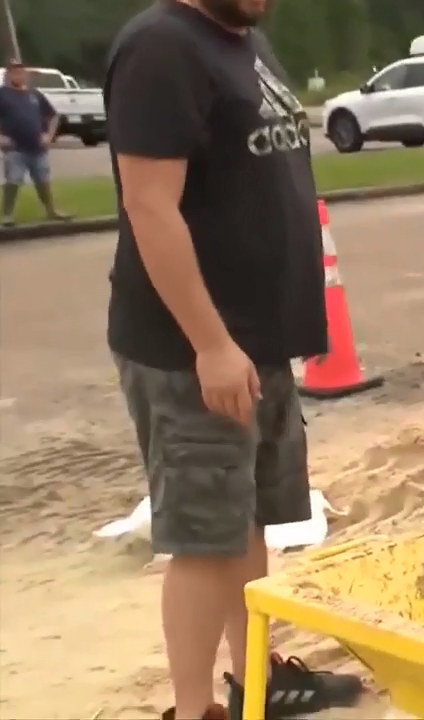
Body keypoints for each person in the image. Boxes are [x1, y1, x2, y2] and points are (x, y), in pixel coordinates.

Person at [104, 1, 364, 718]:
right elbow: (150, 206)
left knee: (243, 519)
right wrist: (211, 345)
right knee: (201, 538)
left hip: (255, 343)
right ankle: (194, 710)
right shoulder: (161, 48)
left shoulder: (242, 39)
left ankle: (255, 676)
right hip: (192, 350)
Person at [0, 60, 71, 226]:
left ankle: (51, 211)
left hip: (37, 147)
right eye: (14, 71)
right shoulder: (2, 94)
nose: (18, 74)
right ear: (8, 75)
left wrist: (49, 136)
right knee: (13, 180)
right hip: (14, 148)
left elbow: (53, 116)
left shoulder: (35, 94)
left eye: (21, 71)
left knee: (43, 180)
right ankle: (7, 215)